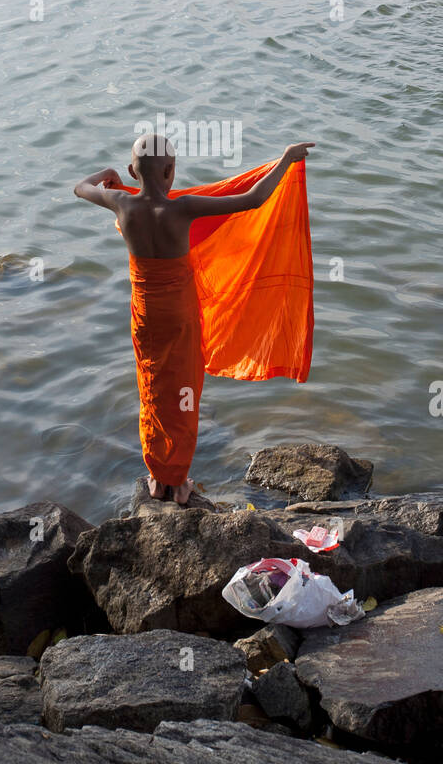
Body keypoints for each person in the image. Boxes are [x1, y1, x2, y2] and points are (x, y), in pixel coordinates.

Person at [74, 136, 314, 505]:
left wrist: (106, 173)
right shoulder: (182, 208)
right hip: (181, 318)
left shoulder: (120, 202)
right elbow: (252, 199)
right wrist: (285, 159)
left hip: (145, 316)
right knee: (184, 393)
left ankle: (157, 477)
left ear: (131, 172)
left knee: (152, 388)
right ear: (170, 171)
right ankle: (180, 480)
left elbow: (80, 187)